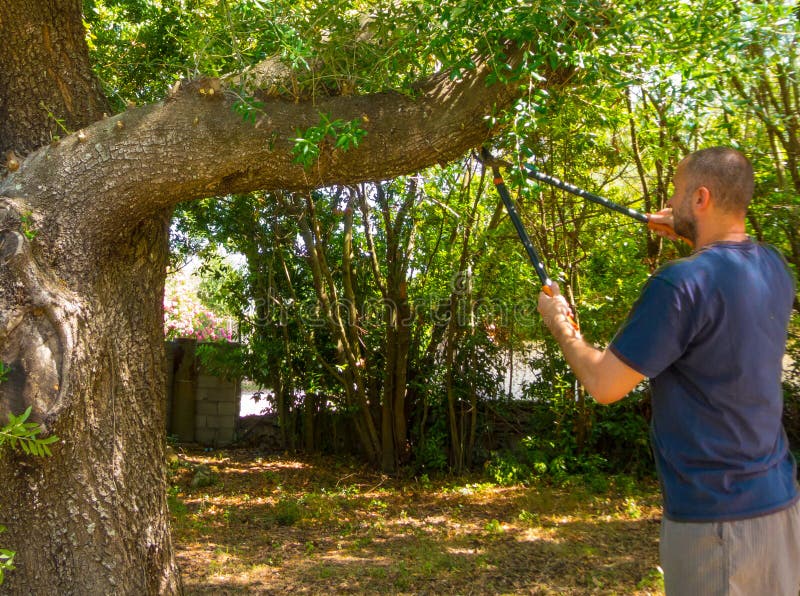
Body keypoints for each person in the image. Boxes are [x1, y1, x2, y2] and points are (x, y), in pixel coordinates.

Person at [537, 147, 800, 595]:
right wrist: (692, 234)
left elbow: (604, 384)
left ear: (700, 198)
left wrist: (560, 325)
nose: (670, 203)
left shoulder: (679, 285)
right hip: (780, 507)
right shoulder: (773, 266)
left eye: (677, 193)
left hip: (716, 526)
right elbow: (722, 274)